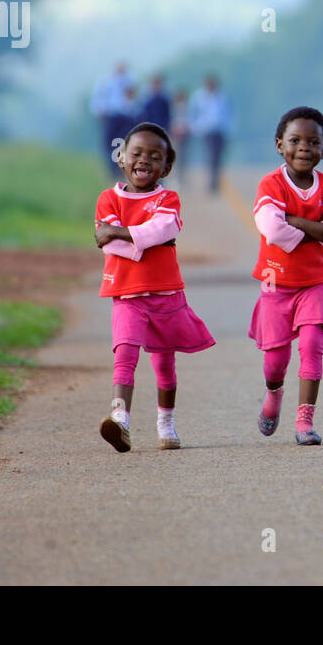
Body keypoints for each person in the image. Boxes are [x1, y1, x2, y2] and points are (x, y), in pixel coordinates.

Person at [94, 121, 216, 452]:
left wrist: (121, 233)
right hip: (127, 296)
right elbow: (112, 246)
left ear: (167, 165)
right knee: (125, 352)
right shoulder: (108, 199)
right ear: (122, 157)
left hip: (167, 296)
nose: (144, 160)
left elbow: (161, 229)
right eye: (136, 153)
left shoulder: (169, 198)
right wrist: (145, 239)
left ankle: (166, 422)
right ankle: (120, 420)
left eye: (154, 155)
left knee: (165, 365)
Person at [248, 106, 323, 445]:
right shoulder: (271, 183)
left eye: (313, 142)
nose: (304, 148)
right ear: (280, 145)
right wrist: (319, 224)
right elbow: (271, 229)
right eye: (295, 140)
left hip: (314, 284)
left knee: (312, 346)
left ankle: (305, 421)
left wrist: (295, 219)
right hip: (276, 284)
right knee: (275, 362)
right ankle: (274, 393)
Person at [187, 74, 234, 194]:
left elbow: (229, 113)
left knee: (218, 157)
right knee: (210, 156)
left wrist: (228, 128)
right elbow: (191, 113)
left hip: (220, 130)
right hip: (206, 130)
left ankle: (215, 179)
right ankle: (211, 181)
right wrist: (195, 127)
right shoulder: (198, 97)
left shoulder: (222, 96)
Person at [90, 62, 133, 179]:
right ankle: (112, 170)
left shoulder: (129, 81)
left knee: (123, 143)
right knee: (109, 145)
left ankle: (120, 168)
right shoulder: (105, 82)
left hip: (124, 117)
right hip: (109, 116)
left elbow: (132, 99)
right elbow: (97, 101)